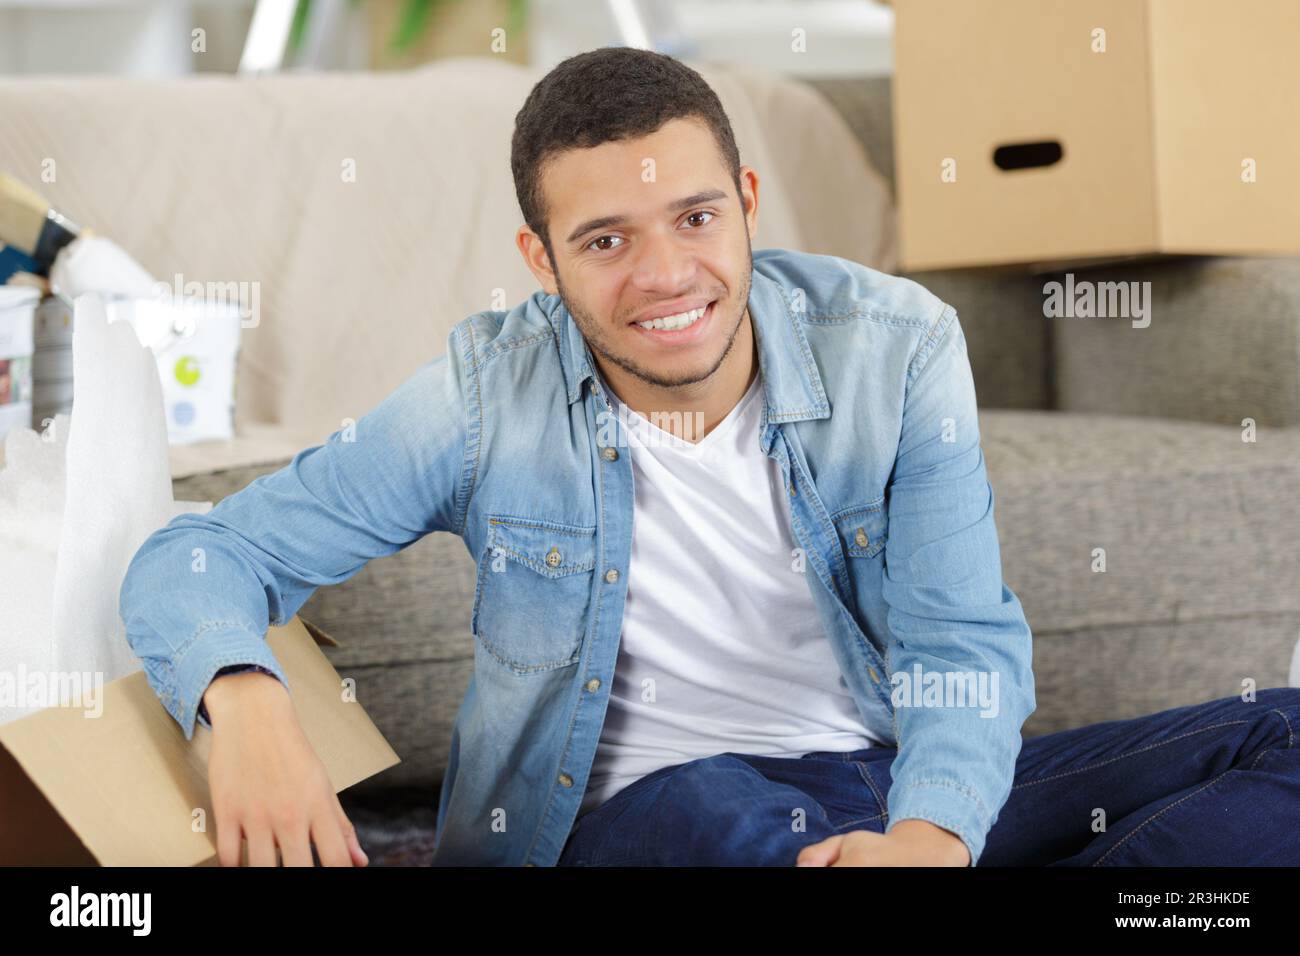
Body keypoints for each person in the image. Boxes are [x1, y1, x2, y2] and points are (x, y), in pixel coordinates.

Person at [119, 47, 1300, 868]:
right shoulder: (484, 394)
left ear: (745, 200)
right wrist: (245, 699)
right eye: (605, 239)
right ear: (542, 260)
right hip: (632, 813)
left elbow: (959, 644)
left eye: (693, 217)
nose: (666, 275)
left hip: (876, 792)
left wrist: (931, 836)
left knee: (1284, 727)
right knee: (712, 800)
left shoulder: (894, 348)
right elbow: (200, 549)